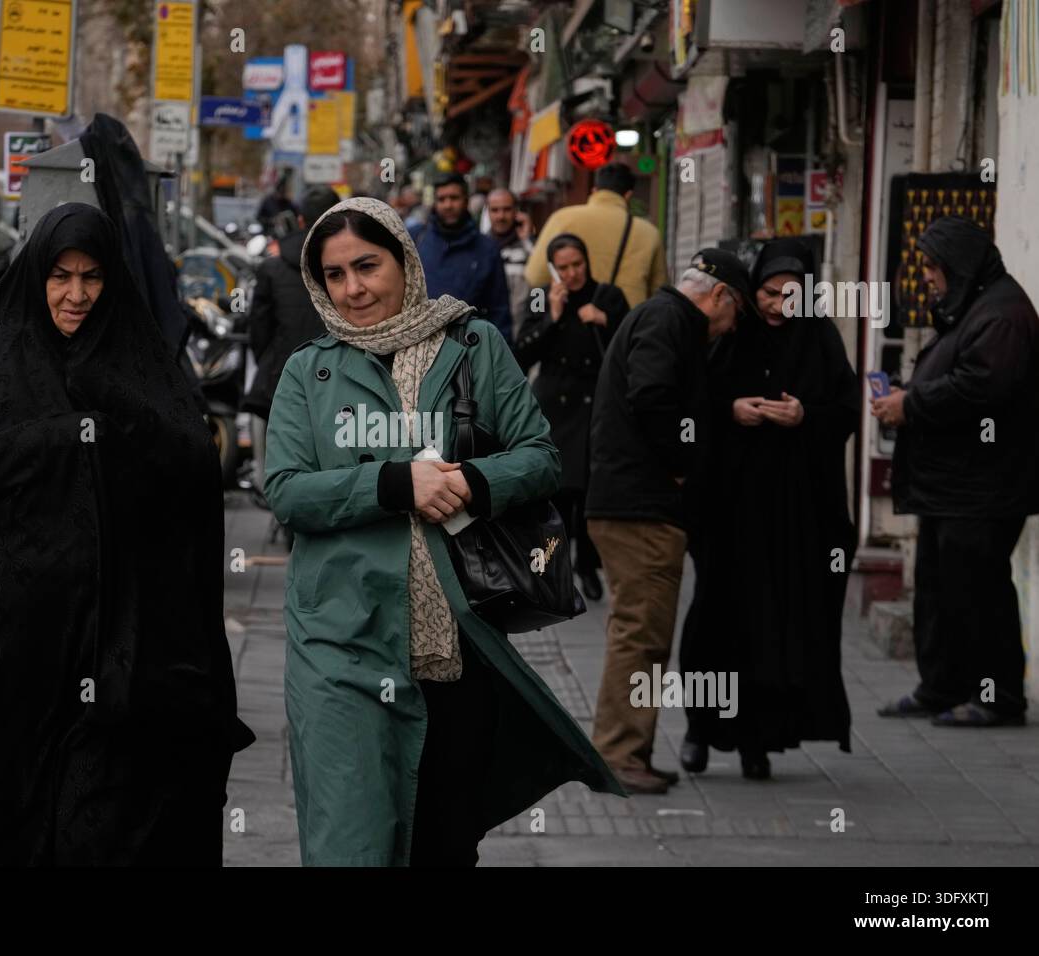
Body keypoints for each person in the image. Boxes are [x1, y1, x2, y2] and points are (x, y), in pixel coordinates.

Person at [0, 203, 254, 865]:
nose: (76, 295)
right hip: (2, 665)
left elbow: (188, 474)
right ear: (35, 277)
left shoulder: (140, 365)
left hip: (121, 668)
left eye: (92, 277)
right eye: (60, 276)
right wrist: (61, 443)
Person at [265, 197, 623, 866]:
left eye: (367, 266)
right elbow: (287, 491)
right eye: (335, 275)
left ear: (404, 258)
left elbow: (540, 455)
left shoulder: (471, 344)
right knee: (351, 843)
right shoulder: (309, 371)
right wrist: (397, 484)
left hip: (457, 647)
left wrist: (473, 483)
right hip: (342, 646)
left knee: (445, 843)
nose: (354, 289)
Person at [678, 238, 859, 781]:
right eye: (769, 293)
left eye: (792, 294)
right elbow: (687, 398)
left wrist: (806, 415)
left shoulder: (821, 340)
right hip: (728, 511)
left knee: (774, 628)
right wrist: (731, 408)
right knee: (715, 618)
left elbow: (846, 411)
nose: (780, 305)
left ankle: (758, 739)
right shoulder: (730, 334)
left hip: (795, 516)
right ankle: (700, 728)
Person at [584, 249, 752, 794]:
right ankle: (619, 753)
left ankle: (625, 750)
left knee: (639, 632)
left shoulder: (662, 316)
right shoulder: (670, 319)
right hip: (639, 507)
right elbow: (653, 397)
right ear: (721, 295)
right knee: (642, 636)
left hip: (628, 502)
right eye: (738, 312)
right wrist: (680, 464)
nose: (732, 327)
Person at [873, 216, 1039, 727]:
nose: (926, 276)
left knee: (978, 589)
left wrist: (912, 403)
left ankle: (998, 695)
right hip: (954, 483)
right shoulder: (975, 307)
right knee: (937, 586)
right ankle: (941, 686)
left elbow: (980, 388)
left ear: (959, 267)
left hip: (985, 484)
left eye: (932, 266)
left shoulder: (1004, 314)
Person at [514, 233, 617, 602]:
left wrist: (605, 319)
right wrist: (553, 319)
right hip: (555, 404)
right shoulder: (543, 295)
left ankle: (587, 565)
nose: (573, 274)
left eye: (578, 265)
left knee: (589, 489)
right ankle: (554, 568)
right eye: (564, 267)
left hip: (595, 404)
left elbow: (628, 345)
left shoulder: (607, 295)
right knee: (556, 492)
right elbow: (522, 353)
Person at [243, 184, 342, 494]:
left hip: (282, 380)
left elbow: (258, 331)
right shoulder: (346, 264)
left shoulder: (272, 267)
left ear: (300, 221)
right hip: (338, 379)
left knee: (289, 463)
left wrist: (272, 365)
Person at [526, 163, 667, 313]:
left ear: (594, 191)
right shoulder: (649, 233)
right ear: (628, 195)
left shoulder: (562, 218)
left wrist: (543, 308)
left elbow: (535, 277)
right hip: (628, 326)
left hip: (573, 319)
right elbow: (660, 294)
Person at [408, 173, 512, 341]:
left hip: (469, 349)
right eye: (442, 199)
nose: (448, 205)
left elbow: (499, 309)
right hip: (419, 345)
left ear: (466, 201)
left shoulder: (487, 248)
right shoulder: (415, 239)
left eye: (454, 198)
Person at [485, 188, 535, 336]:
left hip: (521, 336)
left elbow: (540, 287)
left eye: (507, 209)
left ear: (517, 212)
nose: (501, 216)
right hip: (488, 337)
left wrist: (536, 320)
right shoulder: (480, 247)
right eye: (495, 210)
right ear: (488, 212)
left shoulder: (530, 248)